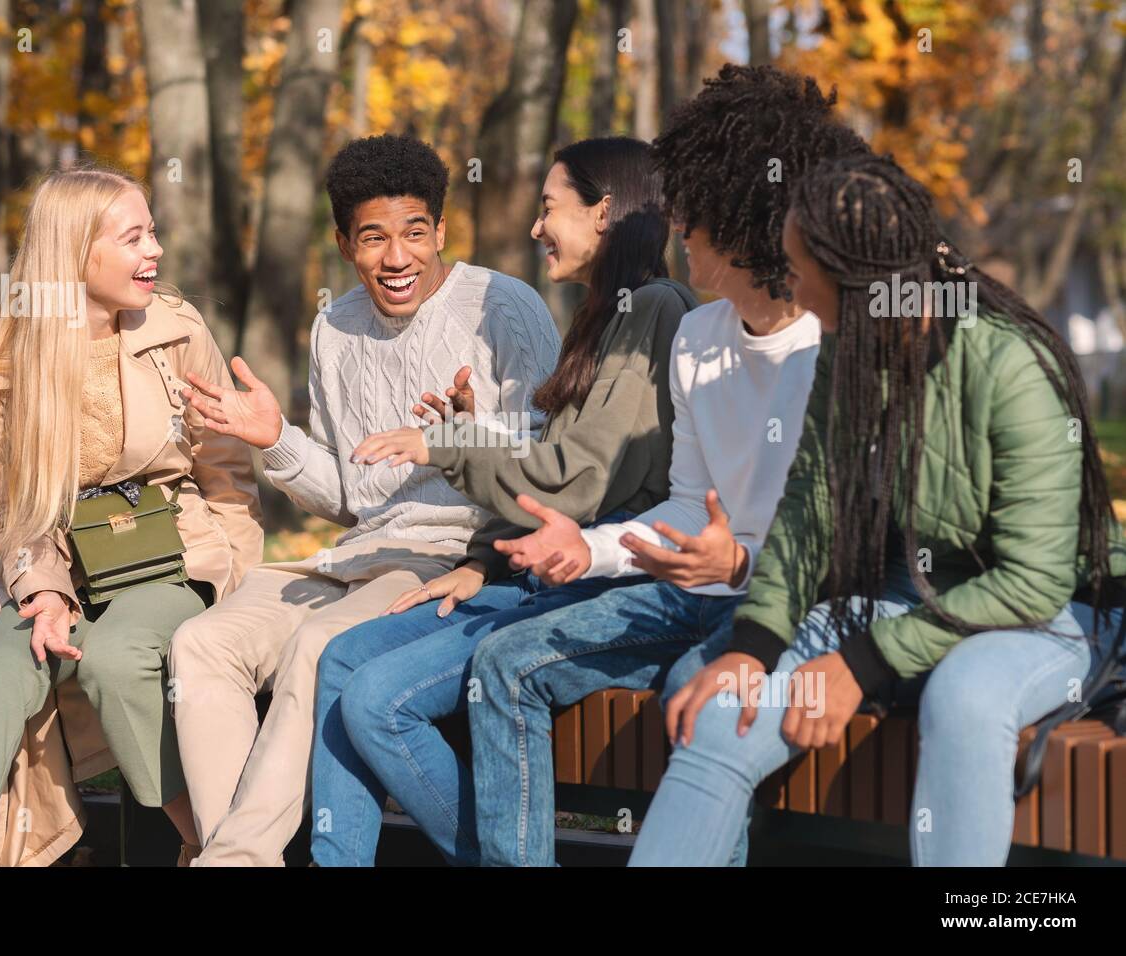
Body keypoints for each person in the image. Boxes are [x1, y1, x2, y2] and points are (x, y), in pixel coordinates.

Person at [630, 151, 1126, 867]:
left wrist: (860, 662)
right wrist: (754, 646)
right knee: (720, 710)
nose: (789, 281)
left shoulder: (1011, 365)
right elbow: (808, 511)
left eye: (800, 267)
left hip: (1057, 614)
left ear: (853, 282)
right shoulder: (848, 347)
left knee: (966, 695)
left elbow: (1034, 579)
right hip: (915, 602)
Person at [466, 65, 871, 867]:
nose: (676, 223)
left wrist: (744, 561)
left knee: (696, 686)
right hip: (692, 588)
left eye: (694, 209)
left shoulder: (835, 342)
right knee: (503, 662)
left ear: (745, 218)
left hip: (791, 606)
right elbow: (688, 506)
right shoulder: (698, 337)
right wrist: (594, 549)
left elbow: (861, 539)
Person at [170, 134, 561, 866]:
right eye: (374, 238)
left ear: (442, 230)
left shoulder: (503, 307)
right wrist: (276, 439)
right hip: (359, 554)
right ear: (346, 242)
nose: (398, 257)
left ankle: (230, 861)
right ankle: (238, 851)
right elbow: (352, 496)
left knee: (319, 648)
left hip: (454, 557)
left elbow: (553, 451)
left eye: (416, 232)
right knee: (201, 642)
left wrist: (469, 437)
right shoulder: (335, 326)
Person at [310, 135, 696, 866]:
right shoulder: (604, 315)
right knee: (338, 662)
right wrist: (484, 558)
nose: (536, 228)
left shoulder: (654, 311)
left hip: (601, 586)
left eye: (550, 209)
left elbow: (575, 479)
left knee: (378, 702)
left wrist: (440, 446)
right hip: (530, 574)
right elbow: (543, 449)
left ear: (605, 212)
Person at [0, 167, 264, 867]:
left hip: (169, 555)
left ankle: (218, 849)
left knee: (116, 656)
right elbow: (4, 500)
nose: (153, 250)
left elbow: (228, 474)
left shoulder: (178, 330)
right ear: (75, 253)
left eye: (152, 231)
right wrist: (41, 593)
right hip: (48, 557)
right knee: (8, 664)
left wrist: (239, 583)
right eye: (133, 237)